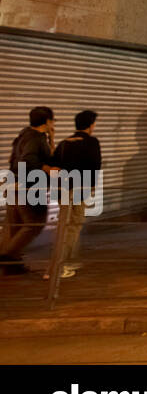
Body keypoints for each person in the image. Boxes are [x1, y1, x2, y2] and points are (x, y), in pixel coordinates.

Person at [1, 107, 59, 276]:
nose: (53, 124)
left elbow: (16, 159)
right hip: (30, 187)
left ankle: (11, 264)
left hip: (15, 184)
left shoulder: (24, 135)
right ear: (47, 121)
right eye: (53, 121)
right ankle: (5, 256)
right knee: (35, 223)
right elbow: (28, 160)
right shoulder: (36, 139)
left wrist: (52, 139)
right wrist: (47, 169)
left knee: (13, 226)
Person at [49, 109, 102, 279]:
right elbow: (95, 166)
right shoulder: (91, 142)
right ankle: (59, 266)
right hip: (80, 188)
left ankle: (67, 260)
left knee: (65, 225)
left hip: (62, 188)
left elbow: (54, 164)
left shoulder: (65, 142)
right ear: (90, 125)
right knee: (73, 226)